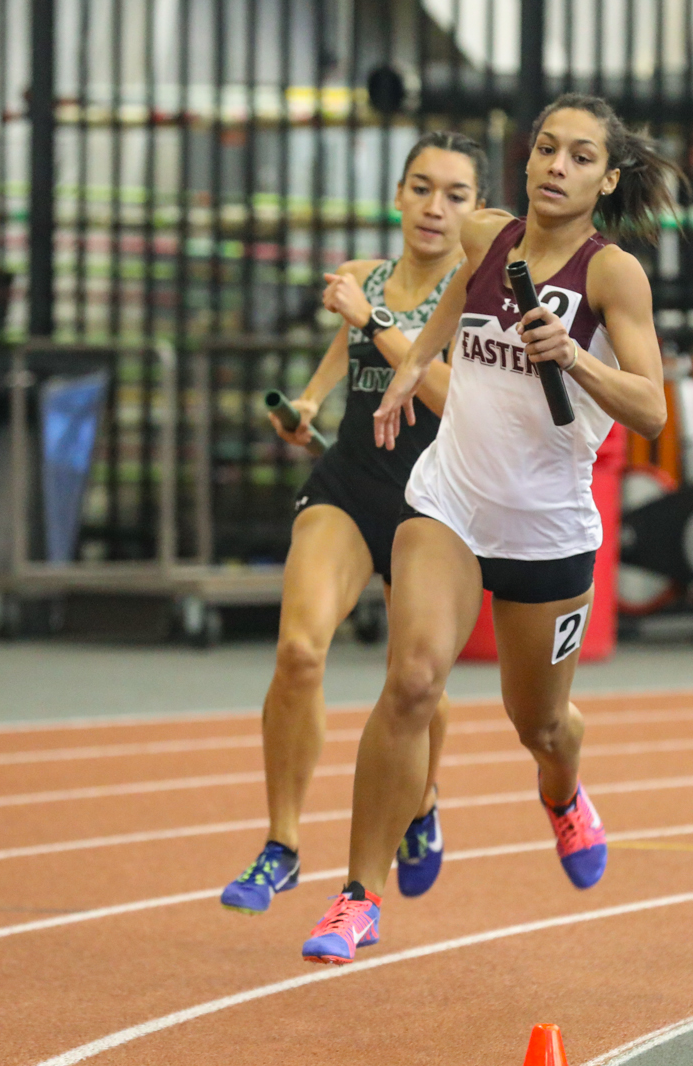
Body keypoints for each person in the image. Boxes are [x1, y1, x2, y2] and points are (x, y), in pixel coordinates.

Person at [298, 93, 676, 964]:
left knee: (537, 725)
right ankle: (358, 895)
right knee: (415, 680)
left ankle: (564, 791)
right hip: (451, 501)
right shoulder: (487, 236)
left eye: (581, 157)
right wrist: (414, 365)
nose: (556, 167)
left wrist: (574, 355)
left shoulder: (611, 274)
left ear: (606, 178)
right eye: (547, 149)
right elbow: (456, 302)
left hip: (545, 526)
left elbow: (653, 409)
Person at [219, 132, 490, 916]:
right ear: (398, 195)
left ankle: (423, 798)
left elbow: (445, 395)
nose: (435, 208)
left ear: (478, 211)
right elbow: (343, 362)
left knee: (417, 685)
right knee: (300, 651)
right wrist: (304, 408)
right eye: (421, 188)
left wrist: (372, 318)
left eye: (456, 194)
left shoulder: (476, 297)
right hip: (348, 486)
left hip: (432, 504)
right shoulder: (367, 278)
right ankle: (281, 843)